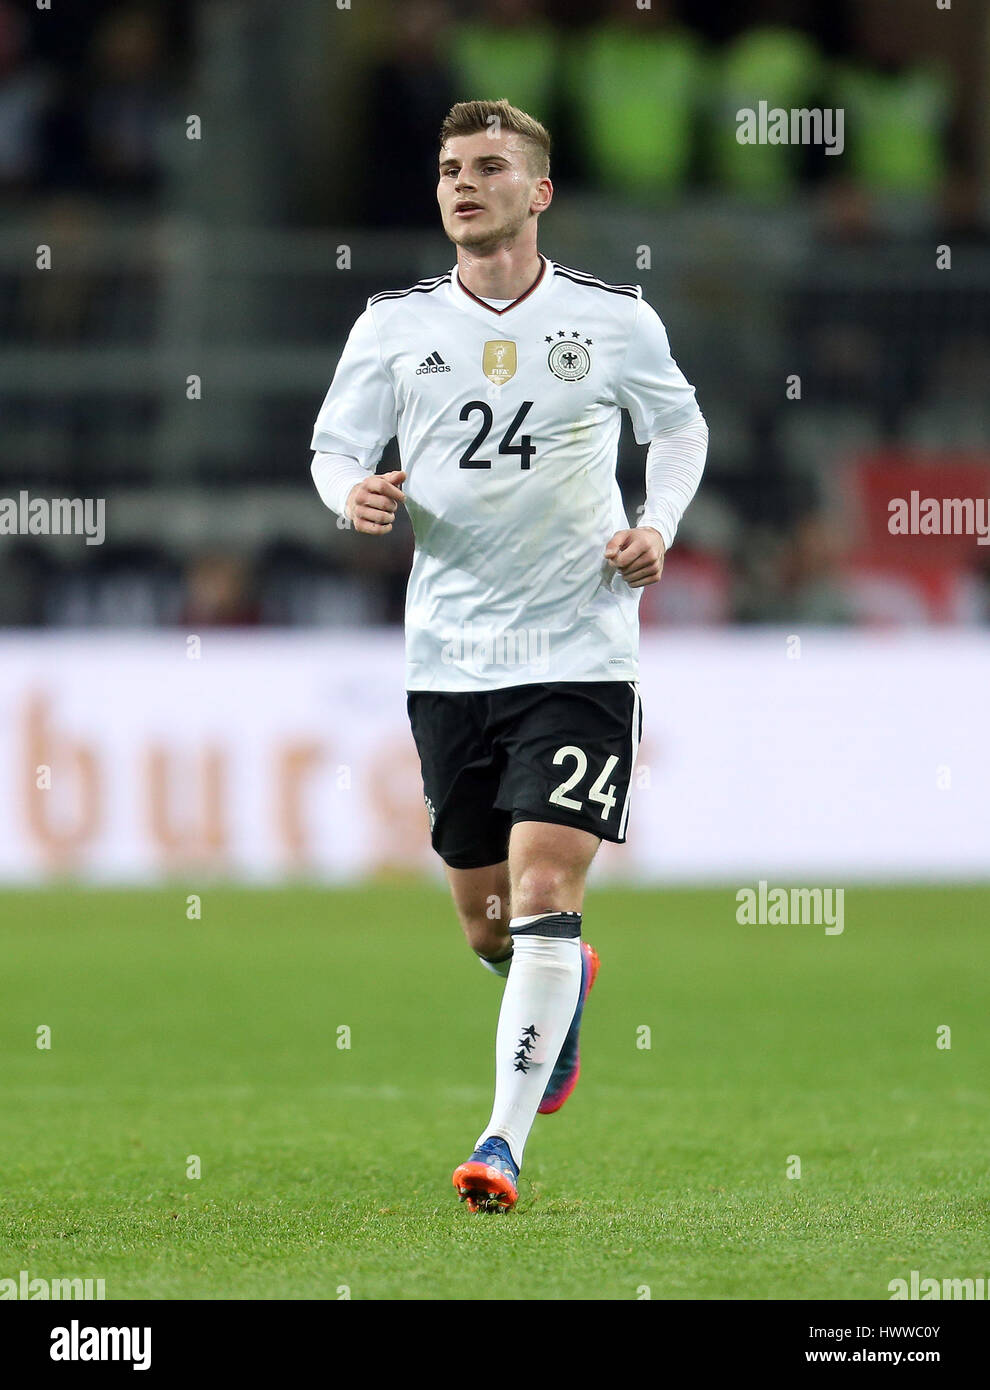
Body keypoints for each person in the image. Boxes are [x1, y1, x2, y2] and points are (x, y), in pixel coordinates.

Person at [310, 99, 708, 1212]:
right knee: (492, 921)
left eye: (488, 167)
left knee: (545, 881)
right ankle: (557, 974)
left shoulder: (614, 319)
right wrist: (353, 491)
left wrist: (656, 524)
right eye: (448, 168)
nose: (462, 183)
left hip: (579, 647)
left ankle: (501, 1143)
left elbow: (680, 428)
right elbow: (334, 443)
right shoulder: (393, 324)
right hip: (449, 656)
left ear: (538, 193)